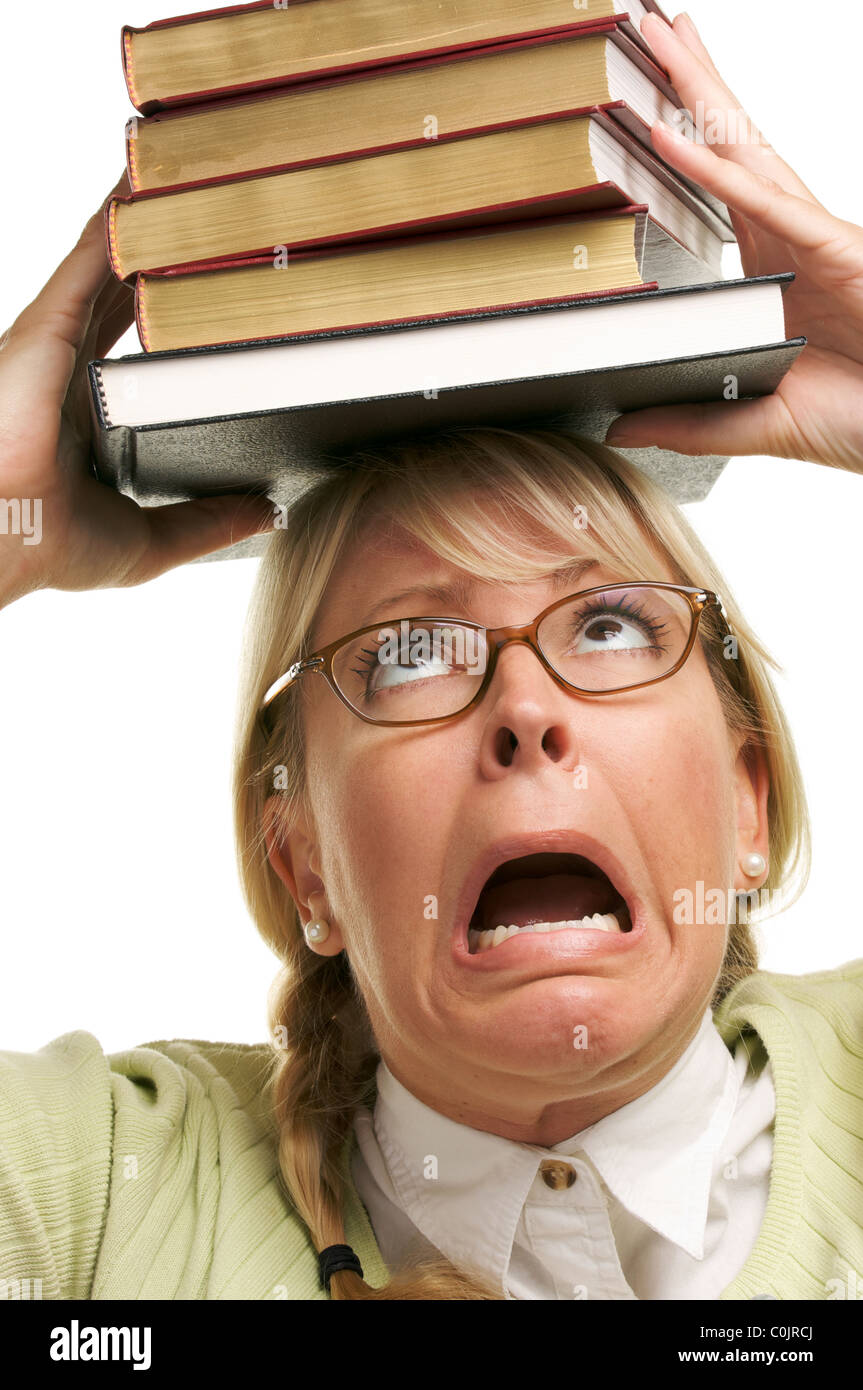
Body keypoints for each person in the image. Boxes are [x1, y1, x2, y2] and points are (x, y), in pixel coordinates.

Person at [1, 11, 862, 1302]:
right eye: (410, 650)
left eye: (609, 624)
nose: (526, 708)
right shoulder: (94, 1195)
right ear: (303, 863)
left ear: (750, 798)